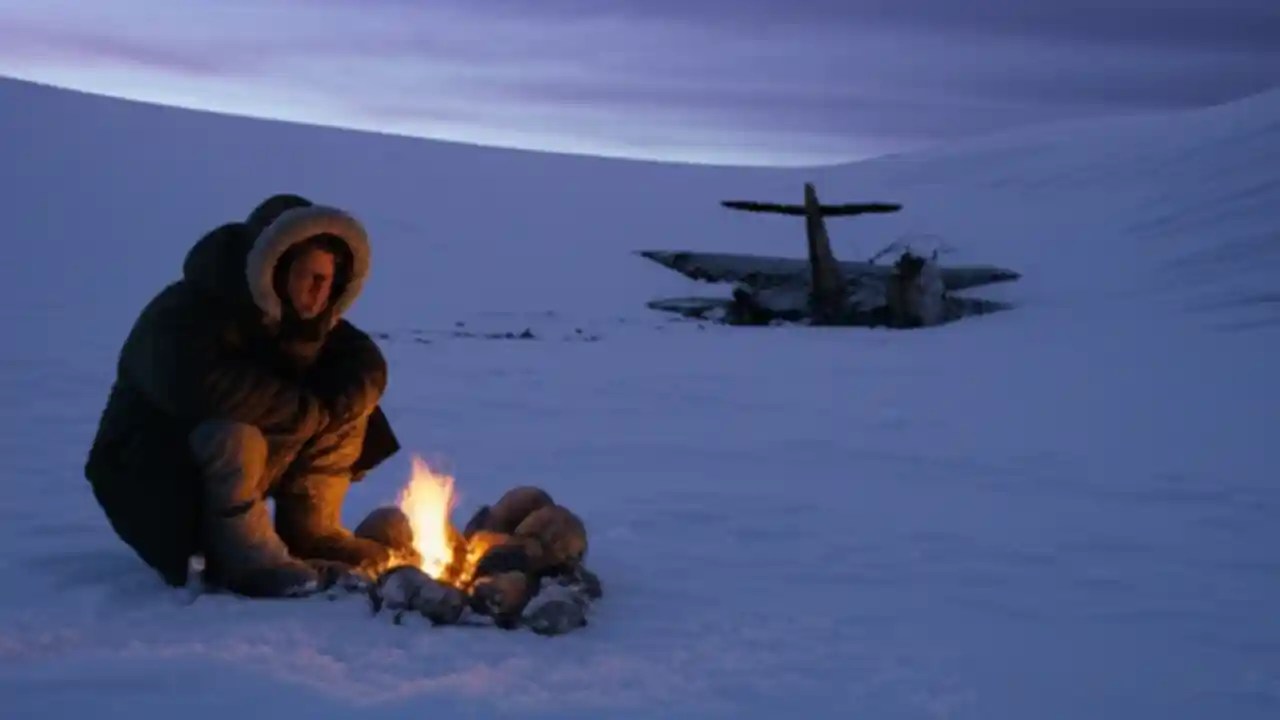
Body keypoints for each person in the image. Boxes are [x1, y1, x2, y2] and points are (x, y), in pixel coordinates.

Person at [85, 193, 402, 597]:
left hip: (222, 470)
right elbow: (199, 385)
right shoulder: (185, 311)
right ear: (275, 267)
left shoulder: (306, 321)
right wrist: (306, 413)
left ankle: (313, 533)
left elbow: (364, 363)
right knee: (235, 433)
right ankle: (244, 557)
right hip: (151, 477)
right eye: (309, 275)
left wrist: (339, 403)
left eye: (329, 279)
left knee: (349, 410)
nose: (320, 290)